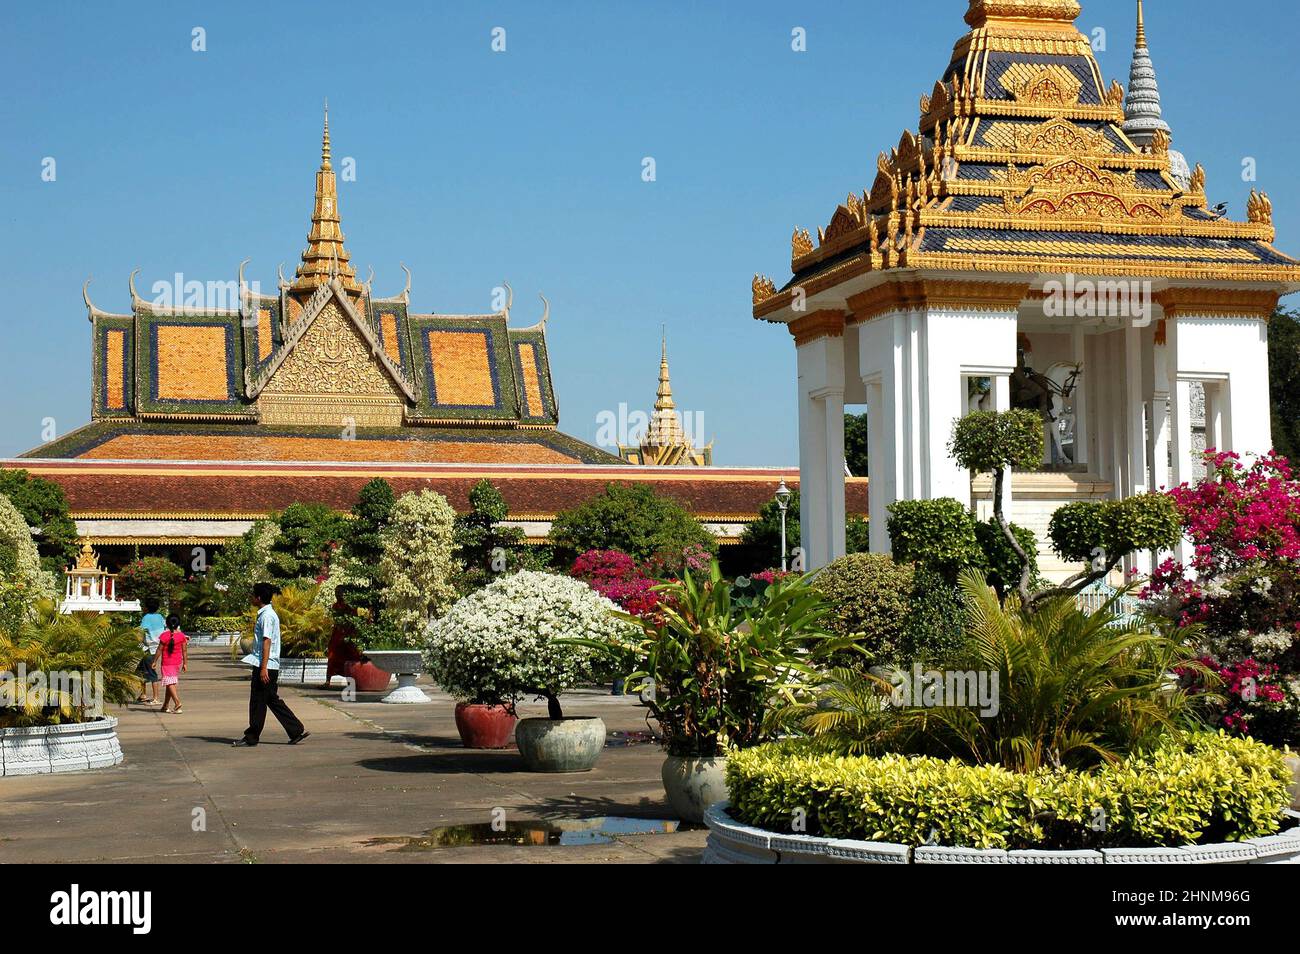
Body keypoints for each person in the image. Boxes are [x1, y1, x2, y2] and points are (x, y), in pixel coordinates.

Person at [233, 582, 309, 747]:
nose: (251, 598)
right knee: (270, 700)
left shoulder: (267, 616)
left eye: (253, 595)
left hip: (266, 665)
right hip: (267, 664)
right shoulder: (267, 614)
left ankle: (252, 736)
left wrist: (263, 667)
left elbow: (267, 641)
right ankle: (295, 730)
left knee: (258, 701)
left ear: (259, 598)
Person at [153, 614, 189, 714]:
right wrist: (185, 663)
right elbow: (184, 651)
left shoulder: (164, 635)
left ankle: (177, 703)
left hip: (167, 663)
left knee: (169, 682)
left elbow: (159, 649)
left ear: (167, 624)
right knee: (170, 682)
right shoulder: (182, 636)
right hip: (177, 663)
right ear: (178, 624)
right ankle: (165, 705)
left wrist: (154, 661)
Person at [136, 601, 165, 705]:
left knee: (151, 673)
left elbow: (141, 631)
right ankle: (143, 694)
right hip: (157, 647)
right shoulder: (160, 617)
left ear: (147, 608)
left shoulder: (146, 617)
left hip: (148, 648)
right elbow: (165, 627)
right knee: (140, 671)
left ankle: (156, 697)